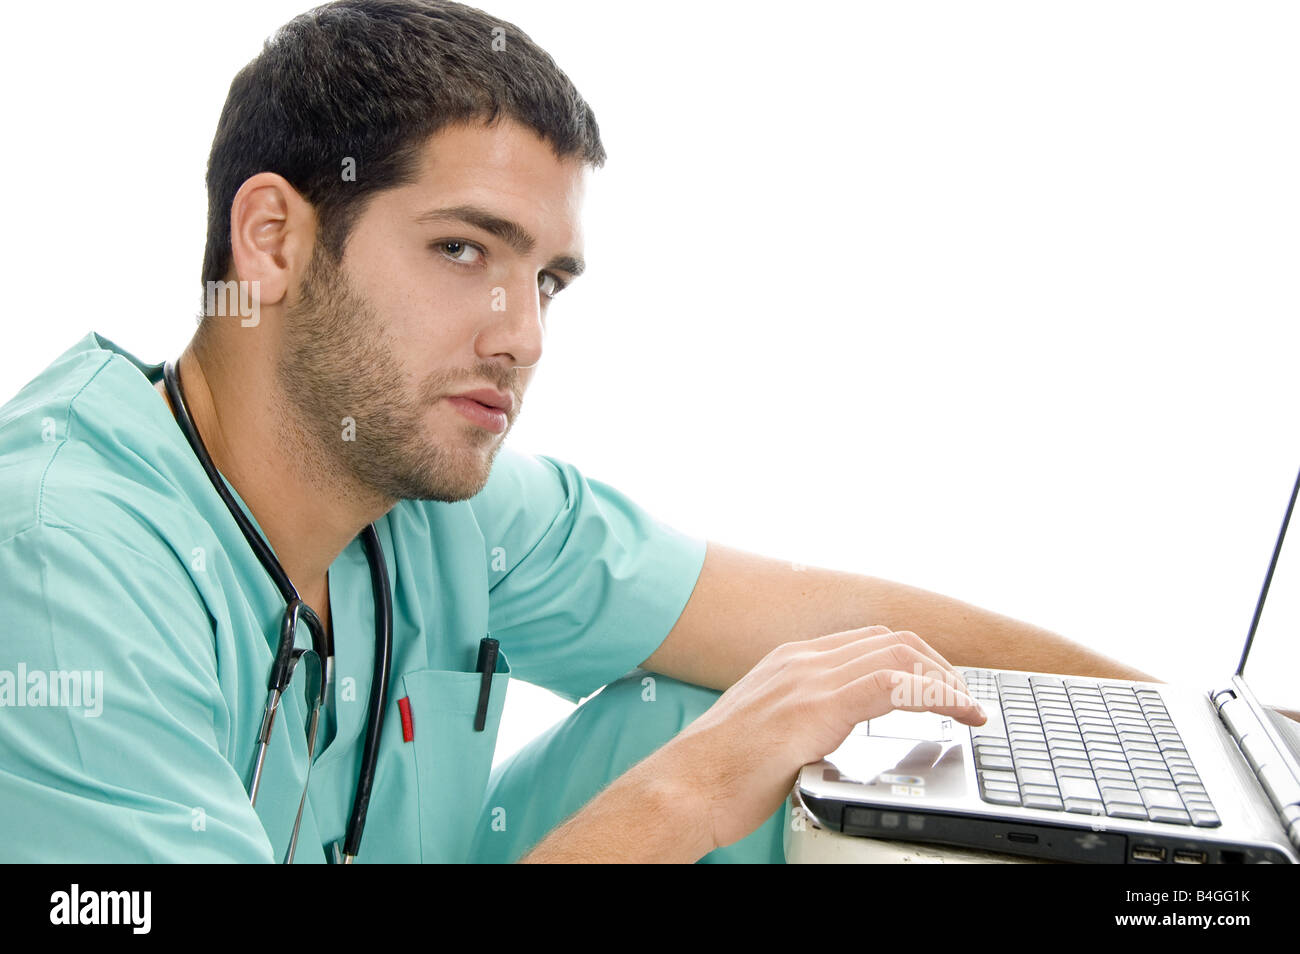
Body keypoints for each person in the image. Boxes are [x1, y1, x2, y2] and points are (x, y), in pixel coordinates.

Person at [0, 0, 1156, 863]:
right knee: (712, 756)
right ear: (274, 240)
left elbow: (813, 623)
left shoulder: (434, 500)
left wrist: (1194, 730)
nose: (522, 338)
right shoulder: (60, 565)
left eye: (546, 279)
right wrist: (685, 796)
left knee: (752, 708)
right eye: (463, 250)